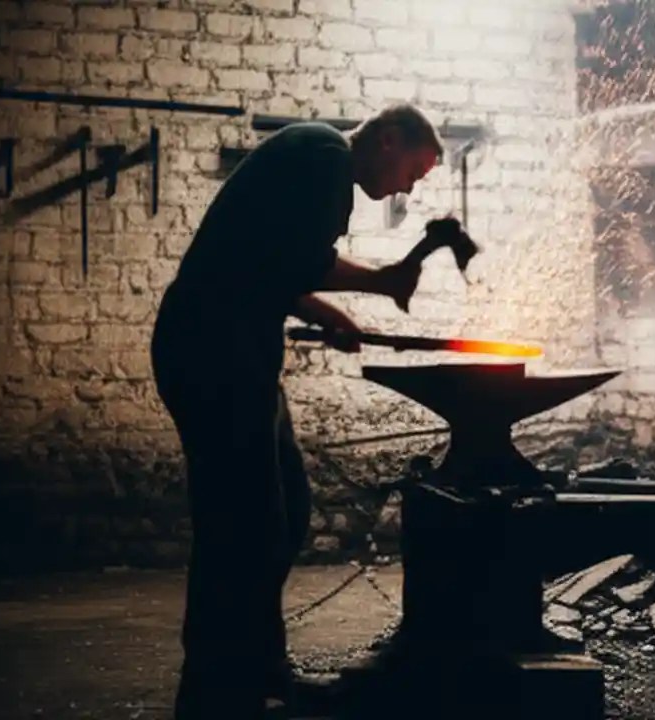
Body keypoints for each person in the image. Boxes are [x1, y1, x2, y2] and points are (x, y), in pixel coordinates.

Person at [149, 104, 445, 719]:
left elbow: (267, 264)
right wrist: (384, 281)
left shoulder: (314, 155)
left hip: (232, 354)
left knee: (283, 513)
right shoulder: (325, 157)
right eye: (412, 173)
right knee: (240, 526)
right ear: (388, 140)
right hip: (213, 353)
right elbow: (301, 263)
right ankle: (215, 693)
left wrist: (325, 313)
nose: (408, 189)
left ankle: (260, 670)